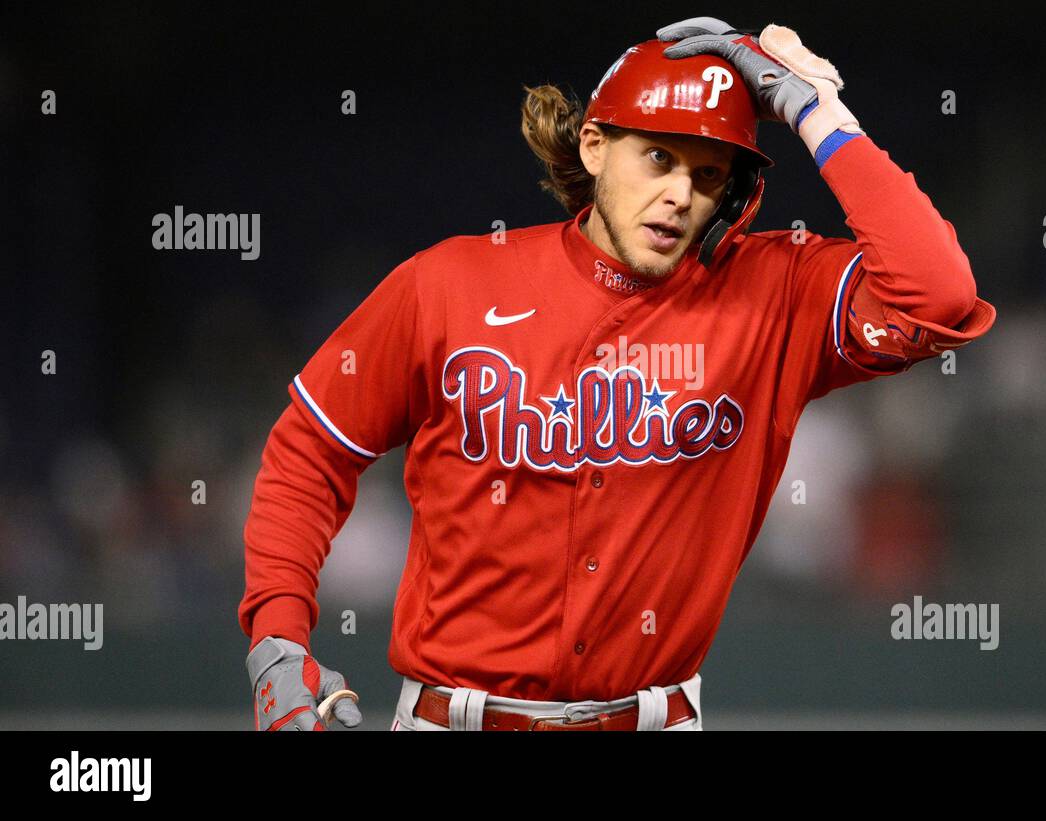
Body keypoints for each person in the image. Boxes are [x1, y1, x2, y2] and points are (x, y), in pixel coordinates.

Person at [239, 16, 996, 731]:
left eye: (708, 174)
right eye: (659, 157)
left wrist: (817, 113)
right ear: (596, 146)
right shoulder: (449, 284)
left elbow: (938, 291)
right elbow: (311, 449)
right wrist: (277, 633)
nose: (678, 193)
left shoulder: (772, 297)